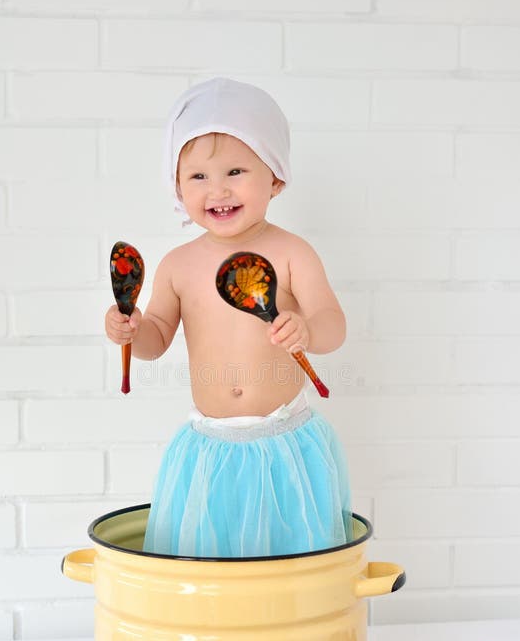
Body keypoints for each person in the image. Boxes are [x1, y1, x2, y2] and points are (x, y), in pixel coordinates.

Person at [105, 77, 351, 558]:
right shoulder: (178, 265)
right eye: (197, 176)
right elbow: (155, 339)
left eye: (236, 171)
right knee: (211, 558)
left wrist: (308, 329)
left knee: (291, 558)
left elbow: (333, 323)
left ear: (275, 177)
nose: (217, 189)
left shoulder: (290, 253)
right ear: (177, 186)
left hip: (286, 443)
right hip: (208, 450)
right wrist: (128, 328)